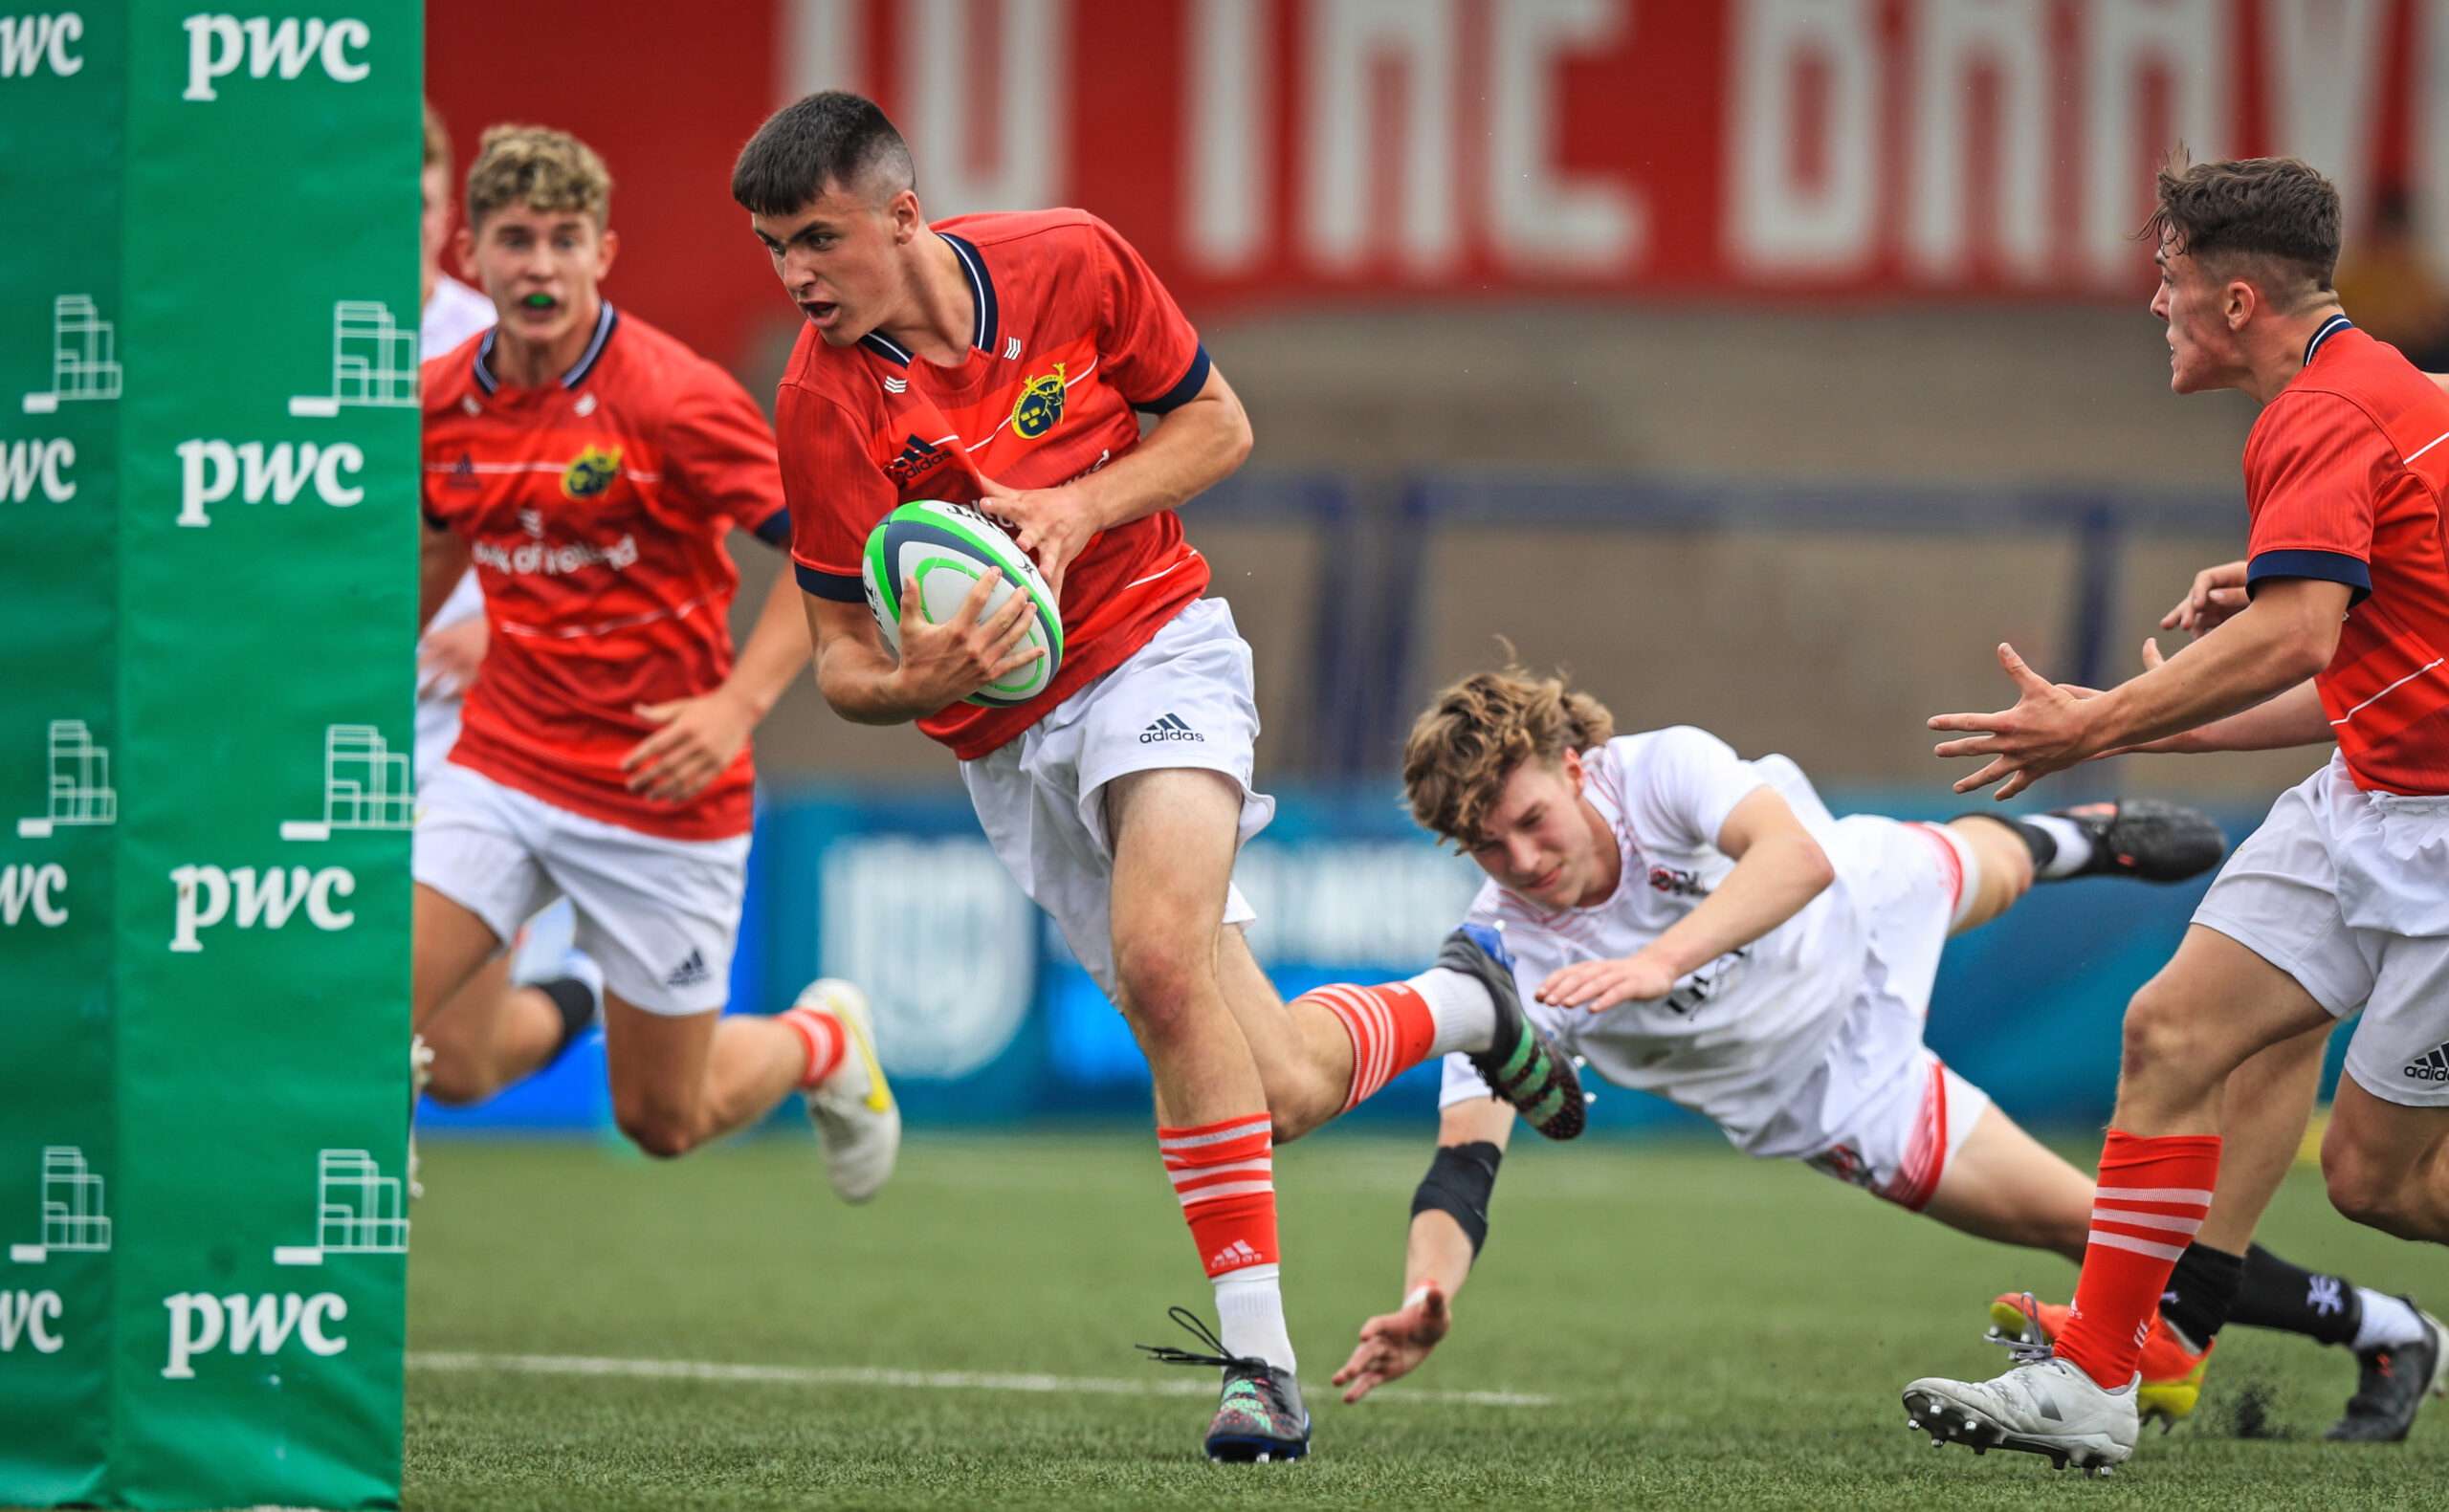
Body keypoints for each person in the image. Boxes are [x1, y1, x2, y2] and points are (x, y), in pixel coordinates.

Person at [730, 92, 1590, 1462]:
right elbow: (838, 654)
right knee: (1285, 1086)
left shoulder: (1068, 259)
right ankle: (1470, 1006)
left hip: (1154, 647)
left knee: (1159, 956)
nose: (796, 275)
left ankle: (1261, 1370)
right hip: (1008, 742)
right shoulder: (819, 398)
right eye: (775, 248)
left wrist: (1078, 507)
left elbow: (1218, 427)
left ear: (902, 215)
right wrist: (918, 682)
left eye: (817, 238)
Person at [1287, 666, 2396, 1427]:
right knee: (2097, 1229)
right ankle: (2380, 1329)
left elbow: (1795, 859)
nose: (1525, 860)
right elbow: (1464, 1160)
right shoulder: (1502, 958)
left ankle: (2063, 840)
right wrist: (1428, 1293)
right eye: (1489, 846)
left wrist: (1660, 960)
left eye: (1531, 820)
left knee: (1984, 863)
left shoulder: (1658, 768)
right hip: (1828, 1090)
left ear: (1574, 767)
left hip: (1846, 905)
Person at [1901, 154, 2449, 1474]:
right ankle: (2103, 1372)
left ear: (2238, 300)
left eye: (2170, 277)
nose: (2157, 302)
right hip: (2367, 797)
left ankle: (2146, 1340)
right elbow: (2354, 658)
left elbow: (2298, 634)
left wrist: (2093, 726)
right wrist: (2175, 712)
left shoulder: (2319, 417)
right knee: (2173, 1033)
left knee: (2378, 1182)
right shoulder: (2394, 390)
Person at [415, 124, 898, 1201]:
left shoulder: (673, 397)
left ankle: (819, 1040)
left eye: (564, 240)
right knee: (403, 1039)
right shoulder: (443, 399)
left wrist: (735, 706)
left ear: (603, 253)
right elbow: (434, 549)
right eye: (515, 240)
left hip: (661, 789)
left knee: (662, 1120)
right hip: (501, 768)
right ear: (471, 256)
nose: (540, 265)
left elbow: (831, 553)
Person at [411, 101, 600, 1106]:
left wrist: (502, 622)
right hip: (324, 723)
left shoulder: (497, 343)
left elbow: (596, 525)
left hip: (468, 737)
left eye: (419, 202)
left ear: (448, 216)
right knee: (371, 1024)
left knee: (455, 1065)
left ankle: (593, 986)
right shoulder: (288, 350)